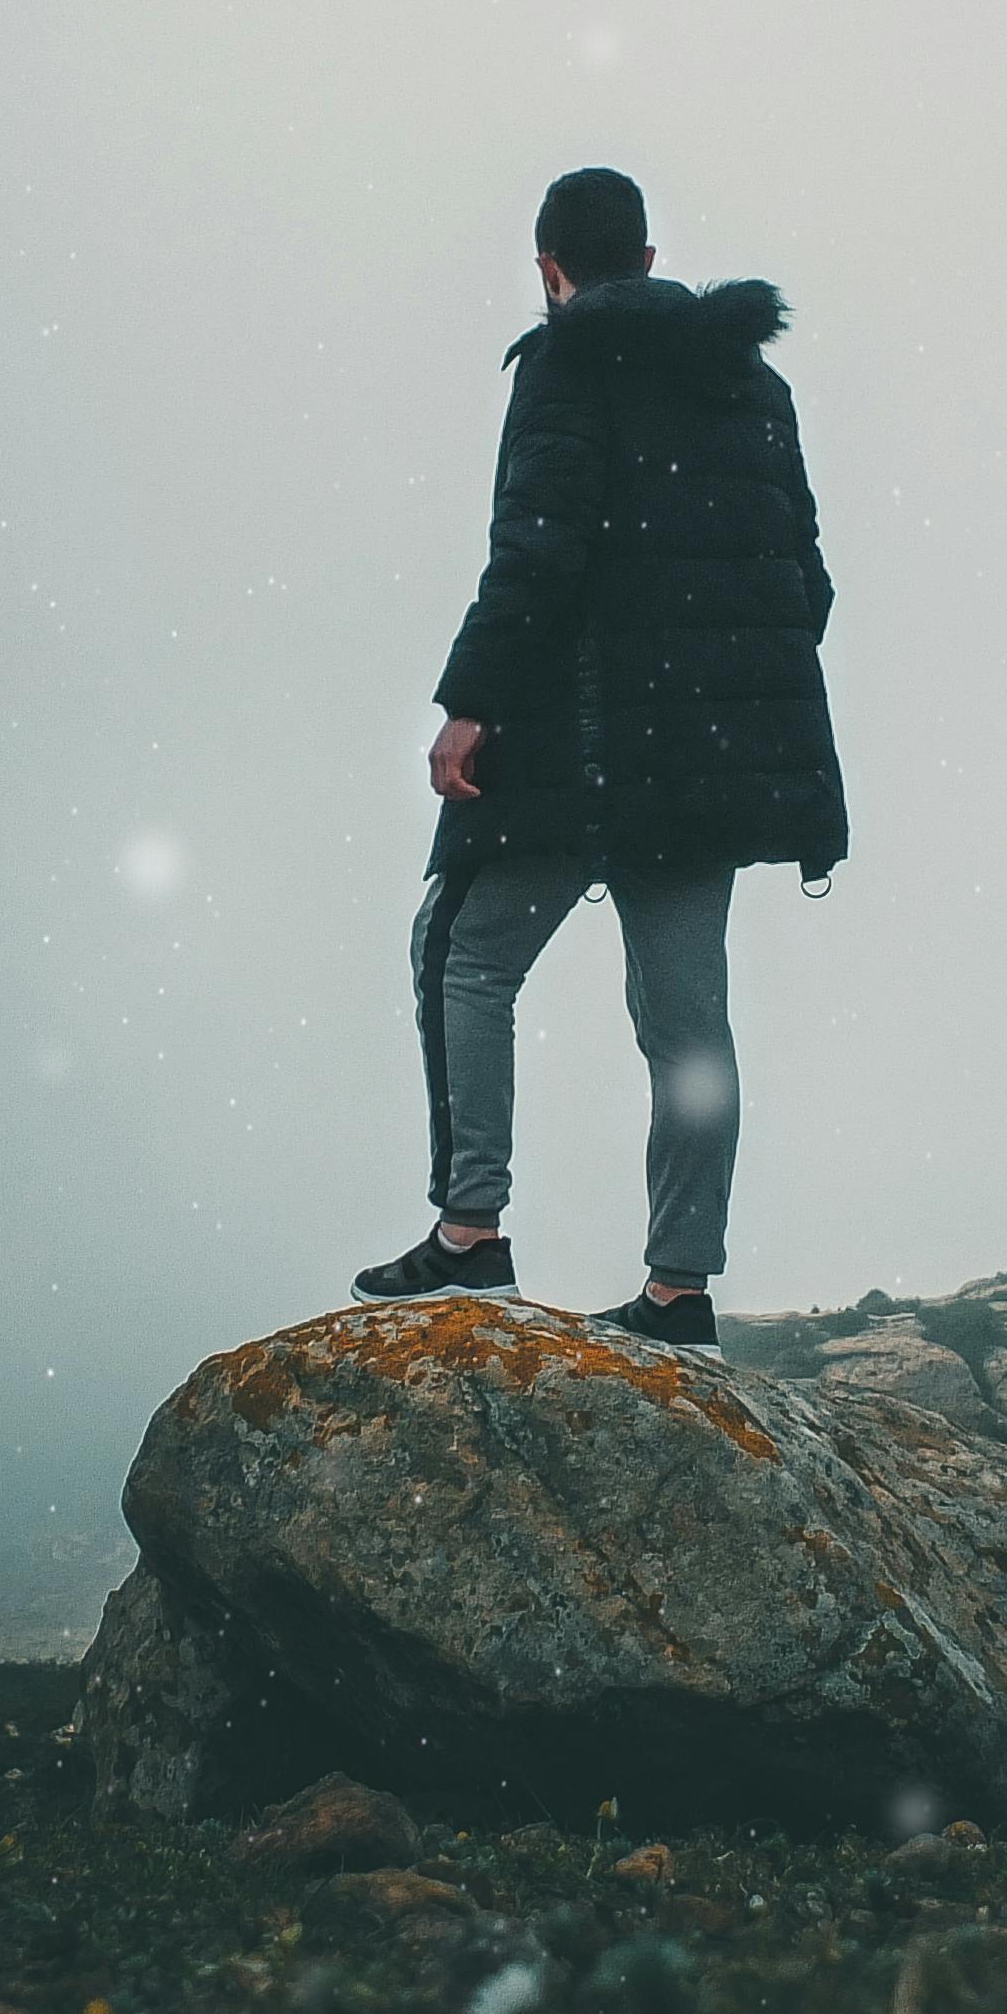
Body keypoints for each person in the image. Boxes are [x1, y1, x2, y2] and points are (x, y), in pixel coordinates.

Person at [356, 167, 846, 1350]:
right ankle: (679, 1292)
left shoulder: (567, 363)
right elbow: (804, 576)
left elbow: (539, 549)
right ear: (647, 252)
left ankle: (471, 1233)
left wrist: (471, 704)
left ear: (549, 268)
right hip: (705, 760)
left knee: (463, 954)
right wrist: (710, 687)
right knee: (687, 1028)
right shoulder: (750, 381)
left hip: (581, 747)